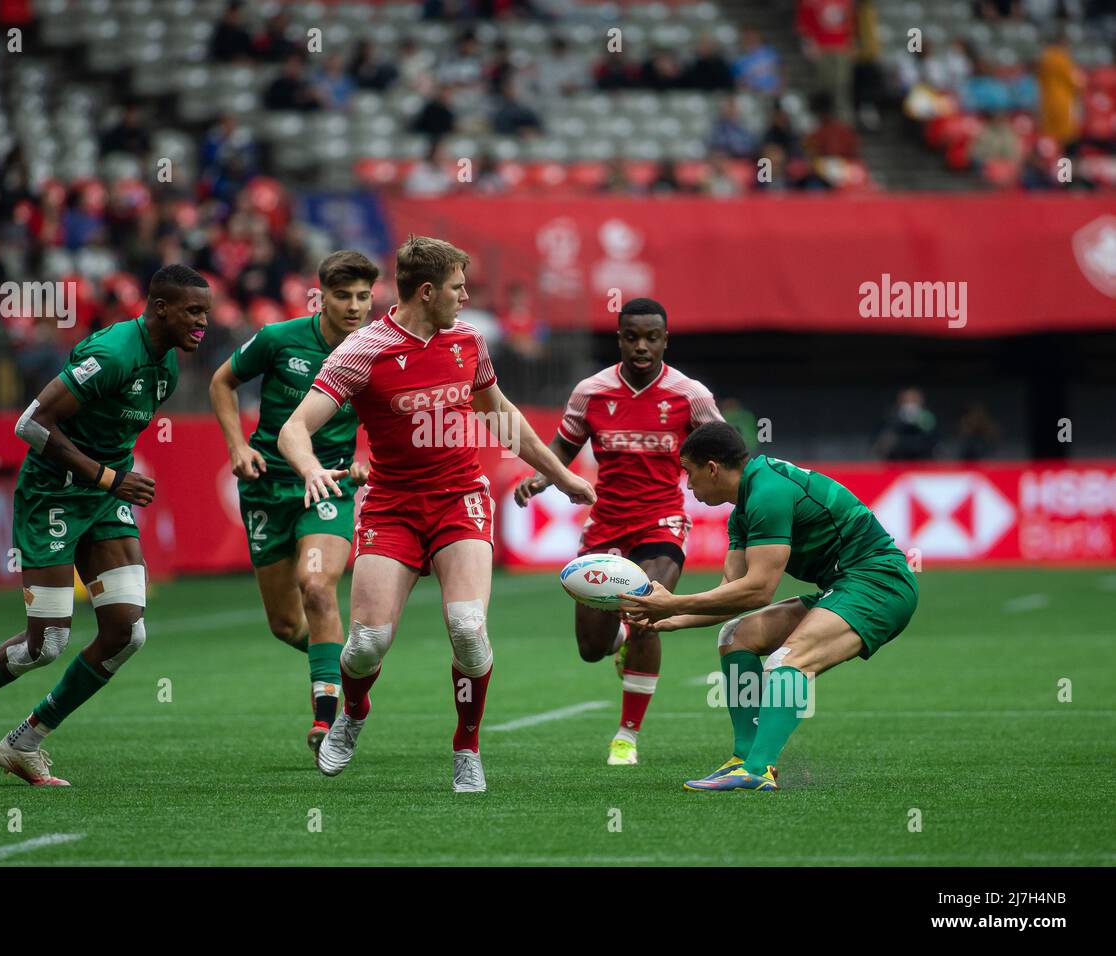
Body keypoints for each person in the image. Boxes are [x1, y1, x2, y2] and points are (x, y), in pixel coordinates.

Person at [278, 235, 596, 792]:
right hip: (392, 505)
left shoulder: (469, 341)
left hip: (460, 499)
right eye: (456, 287)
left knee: (469, 629)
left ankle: (466, 748)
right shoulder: (363, 350)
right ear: (427, 292)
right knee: (368, 644)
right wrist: (309, 468)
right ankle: (353, 714)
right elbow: (294, 427)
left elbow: (499, 414)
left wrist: (564, 476)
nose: (466, 296)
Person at [0, 265, 210, 787]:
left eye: (206, 311)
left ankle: (24, 742)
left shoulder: (166, 367)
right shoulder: (117, 353)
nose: (203, 322)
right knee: (45, 643)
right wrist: (106, 477)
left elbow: (108, 429)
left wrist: (109, 482)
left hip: (102, 499)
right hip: (53, 493)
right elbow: (29, 422)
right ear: (160, 307)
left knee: (126, 632)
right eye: (193, 311)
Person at [620, 422, 919, 792]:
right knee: (736, 636)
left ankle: (760, 770)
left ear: (712, 468)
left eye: (689, 472)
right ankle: (744, 758)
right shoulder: (743, 509)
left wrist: (673, 603)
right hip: (846, 585)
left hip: (880, 585)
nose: (688, 484)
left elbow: (760, 590)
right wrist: (672, 618)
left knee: (789, 659)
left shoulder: (769, 491)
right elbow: (733, 592)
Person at [514, 298, 722, 766]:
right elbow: (563, 447)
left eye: (652, 337)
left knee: (649, 609)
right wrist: (540, 478)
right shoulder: (592, 391)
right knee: (590, 648)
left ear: (665, 340)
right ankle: (619, 640)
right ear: (620, 339)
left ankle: (627, 734)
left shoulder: (690, 395)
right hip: (605, 526)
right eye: (633, 337)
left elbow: (727, 451)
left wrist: (746, 492)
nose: (642, 346)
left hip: (661, 521)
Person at [208, 251, 378, 756]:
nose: (353, 306)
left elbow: (392, 417)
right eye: (342, 296)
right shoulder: (280, 339)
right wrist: (237, 447)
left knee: (317, 586)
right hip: (266, 483)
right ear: (320, 296)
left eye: (363, 297)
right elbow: (222, 382)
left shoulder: (378, 352)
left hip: (328, 483)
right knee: (285, 625)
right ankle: (347, 663)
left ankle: (327, 719)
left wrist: (368, 460)